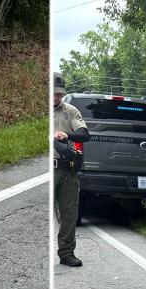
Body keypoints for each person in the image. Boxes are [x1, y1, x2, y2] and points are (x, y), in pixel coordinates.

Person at [52, 72, 89, 268]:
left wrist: (65, 135)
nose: (55, 97)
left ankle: (66, 253)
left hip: (66, 171)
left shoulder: (70, 110)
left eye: (58, 94)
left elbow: (84, 134)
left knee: (69, 213)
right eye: (52, 93)